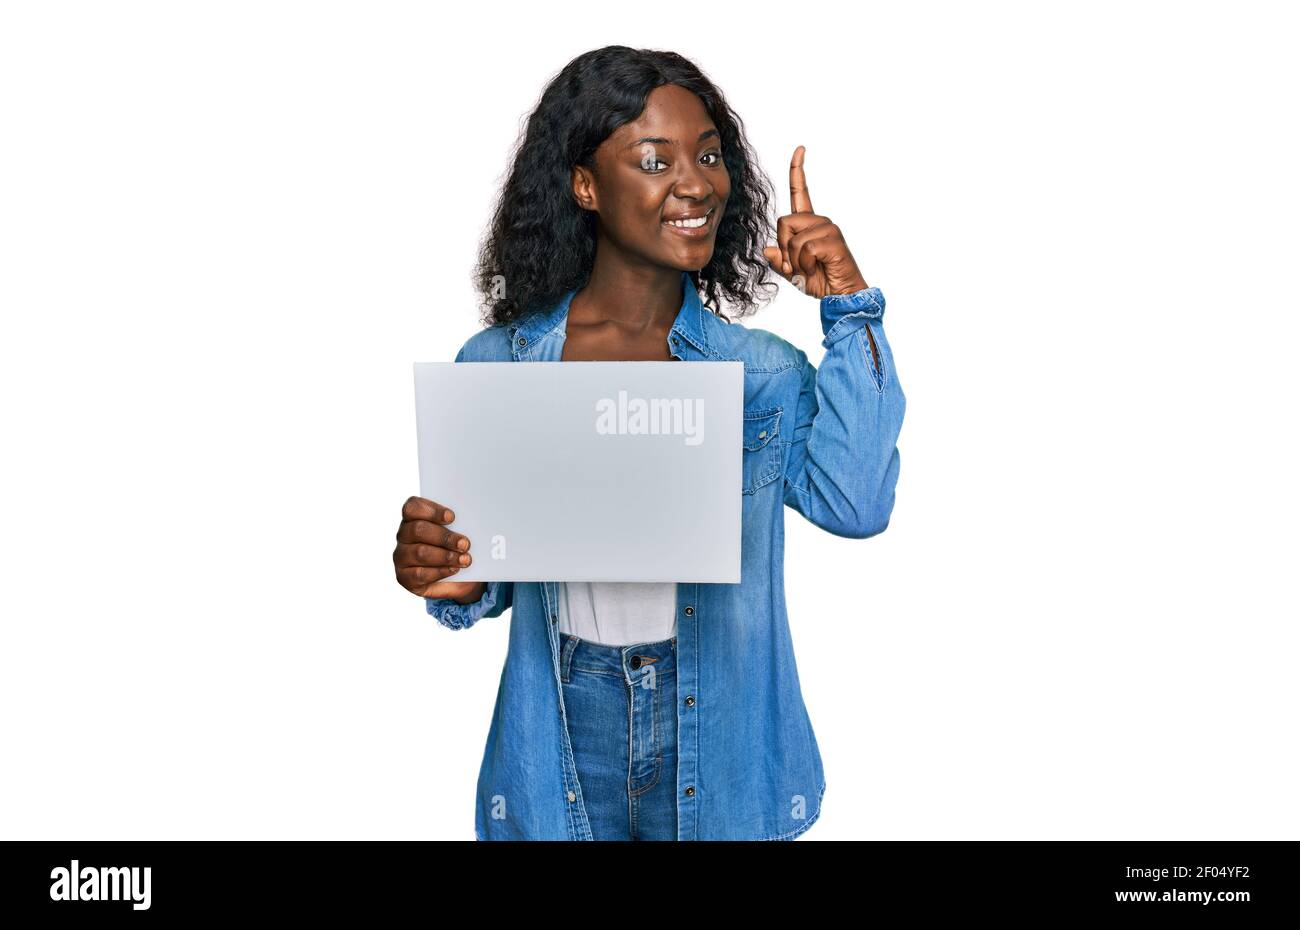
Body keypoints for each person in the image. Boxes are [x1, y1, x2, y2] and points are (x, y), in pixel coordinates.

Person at [392, 45, 905, 840]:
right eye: (654, 159)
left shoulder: (759, 372)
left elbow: (858, 501)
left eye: (707, 155)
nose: (696, 182)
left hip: (722, 732)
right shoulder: (500, 366)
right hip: (563, 725)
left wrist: (849, 306)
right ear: (585, 185)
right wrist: (446, 573)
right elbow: (482, 581)